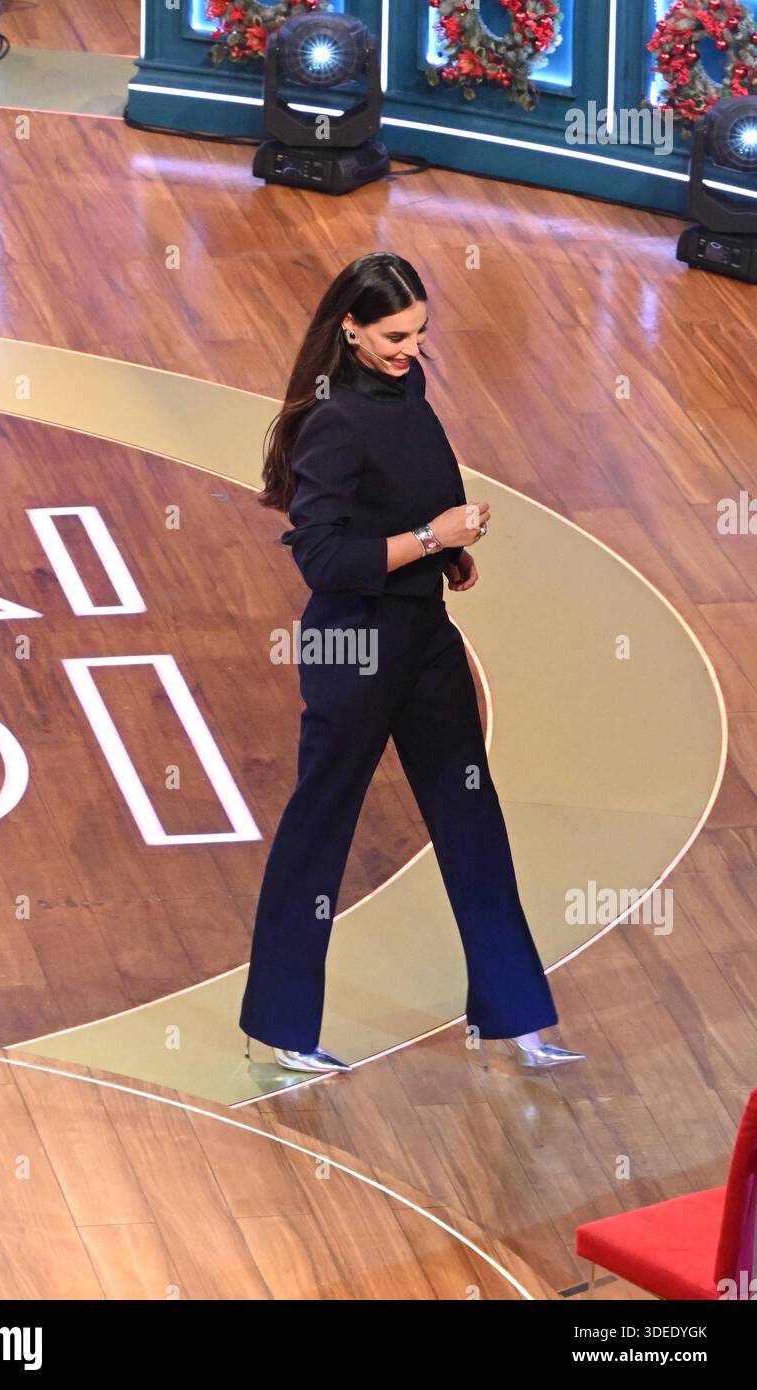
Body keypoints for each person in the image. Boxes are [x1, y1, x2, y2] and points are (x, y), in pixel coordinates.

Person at [239, 251, 585, 1073]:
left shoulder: (407, 388)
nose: (411, 349)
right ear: (349, 329)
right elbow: (322, 558)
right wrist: (433, 539)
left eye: (421, 333)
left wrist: (441, 560)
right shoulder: (333, 420)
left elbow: (399, 499)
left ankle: (516, 1015)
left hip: (422, 635)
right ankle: (280, 1026)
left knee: (472, 817)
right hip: (353, 644)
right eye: (395, 335)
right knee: (320, 825)